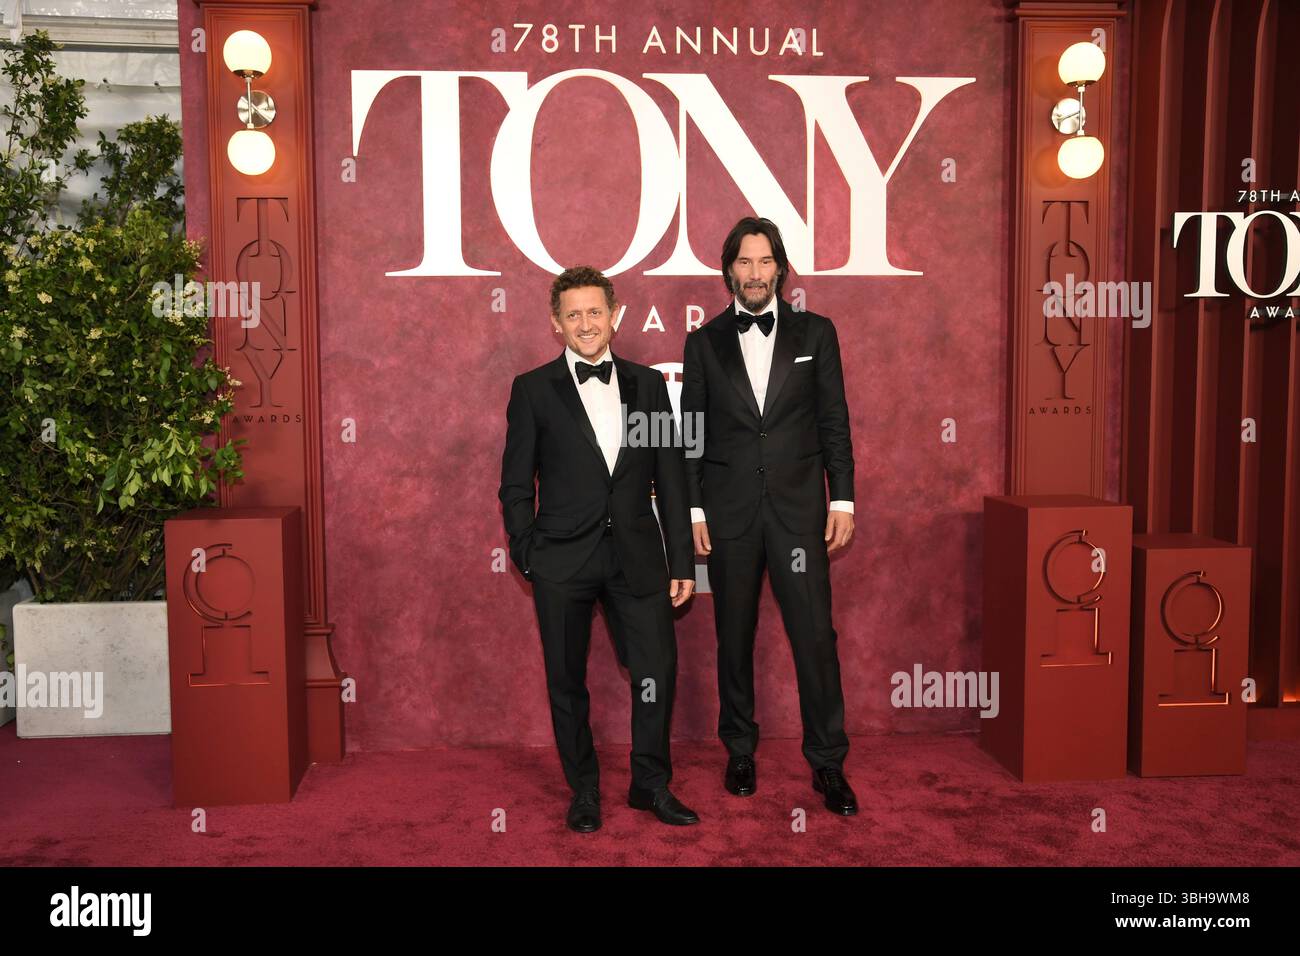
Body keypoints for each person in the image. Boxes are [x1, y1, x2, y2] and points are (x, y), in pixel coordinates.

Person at [499, 265, 699, 832]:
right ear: (555, 325)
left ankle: (650, 784)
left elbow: (673, 479)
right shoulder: (533, 390)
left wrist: (680, 558)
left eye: (594, 312)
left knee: (656, 669)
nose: (585, 324)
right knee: (566, 680)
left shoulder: (649, 385)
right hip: (562, 558)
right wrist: (527, 551)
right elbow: (516, 485)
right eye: (572, 315)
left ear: (615, 315)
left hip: (637, 556)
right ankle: (583, 789)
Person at [681, 217, 859, 815]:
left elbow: (834, 419)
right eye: (744, 262)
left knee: (815, 637)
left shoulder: (818, 332)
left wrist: (842, 499)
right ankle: (739, 750)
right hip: (729, 516)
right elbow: (693, 434)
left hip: (798, 513)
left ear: (780, 268)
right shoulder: (703, 343)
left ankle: (828, 762)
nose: (754, 274)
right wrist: (697, 508)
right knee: (734, 638)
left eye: (765, 262)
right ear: (728, 269)